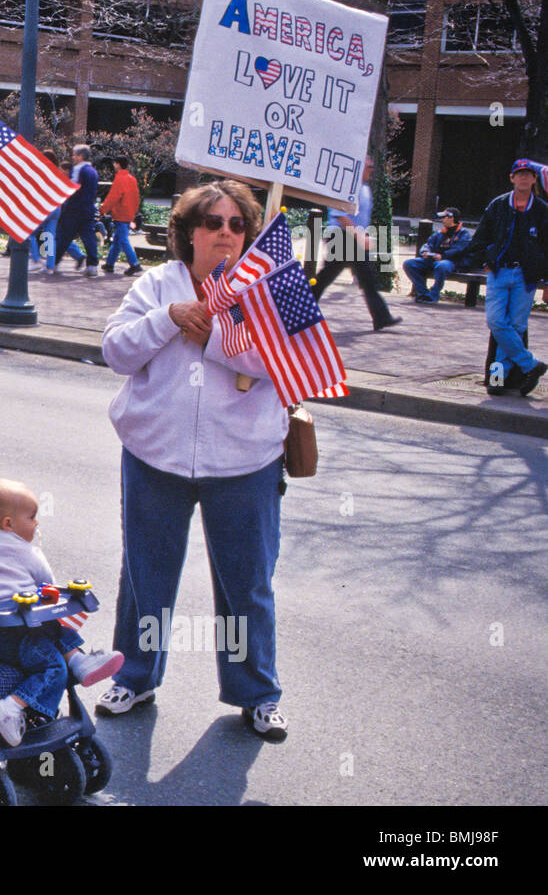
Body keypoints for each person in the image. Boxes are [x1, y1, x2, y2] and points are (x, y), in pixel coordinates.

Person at [100, 179, 291, 741]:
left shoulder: (268, 288)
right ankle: (134, 675)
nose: (225, 234)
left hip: (244, 462)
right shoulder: (157, 284)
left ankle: (256, 693)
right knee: (145, 574)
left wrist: (218, 335)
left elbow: (282, 360)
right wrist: (172, 318)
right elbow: (116, 351)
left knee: (246, 582)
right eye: (212, 223)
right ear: (188, 233)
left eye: (236, 225)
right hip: (154, 456)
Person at [0, 478, 123, 747]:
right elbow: (46, 581)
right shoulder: (25, 551)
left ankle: (78, 661)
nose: (37, 523)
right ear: (8, 524)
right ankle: (13, 708)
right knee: (53, 663)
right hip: (16, 634)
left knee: (49, 630)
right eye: (32, 517)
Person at [470, 158, 548, 396]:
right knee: (495, 322)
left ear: (535, 179)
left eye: (528, 174)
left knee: (515, 327)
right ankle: (530, 365)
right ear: (512, 178)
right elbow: (480, 238)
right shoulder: (498, 205)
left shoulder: (542, 210)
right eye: (519, 174)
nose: (524, 178)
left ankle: (497, 378)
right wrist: (486, 259)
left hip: (526, 278)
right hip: (499, 272)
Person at [311, 156, 402, 330]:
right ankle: (381, 317)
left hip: (352, 238)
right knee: (357, 277)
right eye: (369, 167)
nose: (372, 170)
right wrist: (360, 237)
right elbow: (340, 216)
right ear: (358, 168)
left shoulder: (365, 189)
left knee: (334, 277)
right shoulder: (345, 187)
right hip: (341, 237)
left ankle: (381, 317)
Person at [401, 208, 473, 303]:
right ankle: (423, 293)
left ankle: (433, 295)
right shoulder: (440, 232)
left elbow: (459, 250)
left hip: (452, 262)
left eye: (444, 217)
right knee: (409, 264)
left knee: (441, 266)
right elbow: (428, 244)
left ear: (451, 218)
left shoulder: (464, 234)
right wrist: (425, 252)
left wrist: (442, 256)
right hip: (434, 260)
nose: (442, 219)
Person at [54, 144, 102, 277]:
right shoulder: (93, 171)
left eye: (74, 154)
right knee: (89, 238)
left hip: (74, 210)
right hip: (88, 209)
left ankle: (54, 263)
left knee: (63, 237)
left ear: (80, 156)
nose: (72, 157)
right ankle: (92, 265)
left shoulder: (77, 170)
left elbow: (71, 189)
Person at [100, 155, 143, 276]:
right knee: (118, 239)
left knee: (122, 240)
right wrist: (134, 213)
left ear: (118, 164)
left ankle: (134, 264)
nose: (114, 165)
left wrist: (103, 210)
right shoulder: (132, 179)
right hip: (129, 213)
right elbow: (136, 198)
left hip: (120, 213)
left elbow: (112, 197)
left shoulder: (119, 179)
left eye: (114, 163)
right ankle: (110, 263)